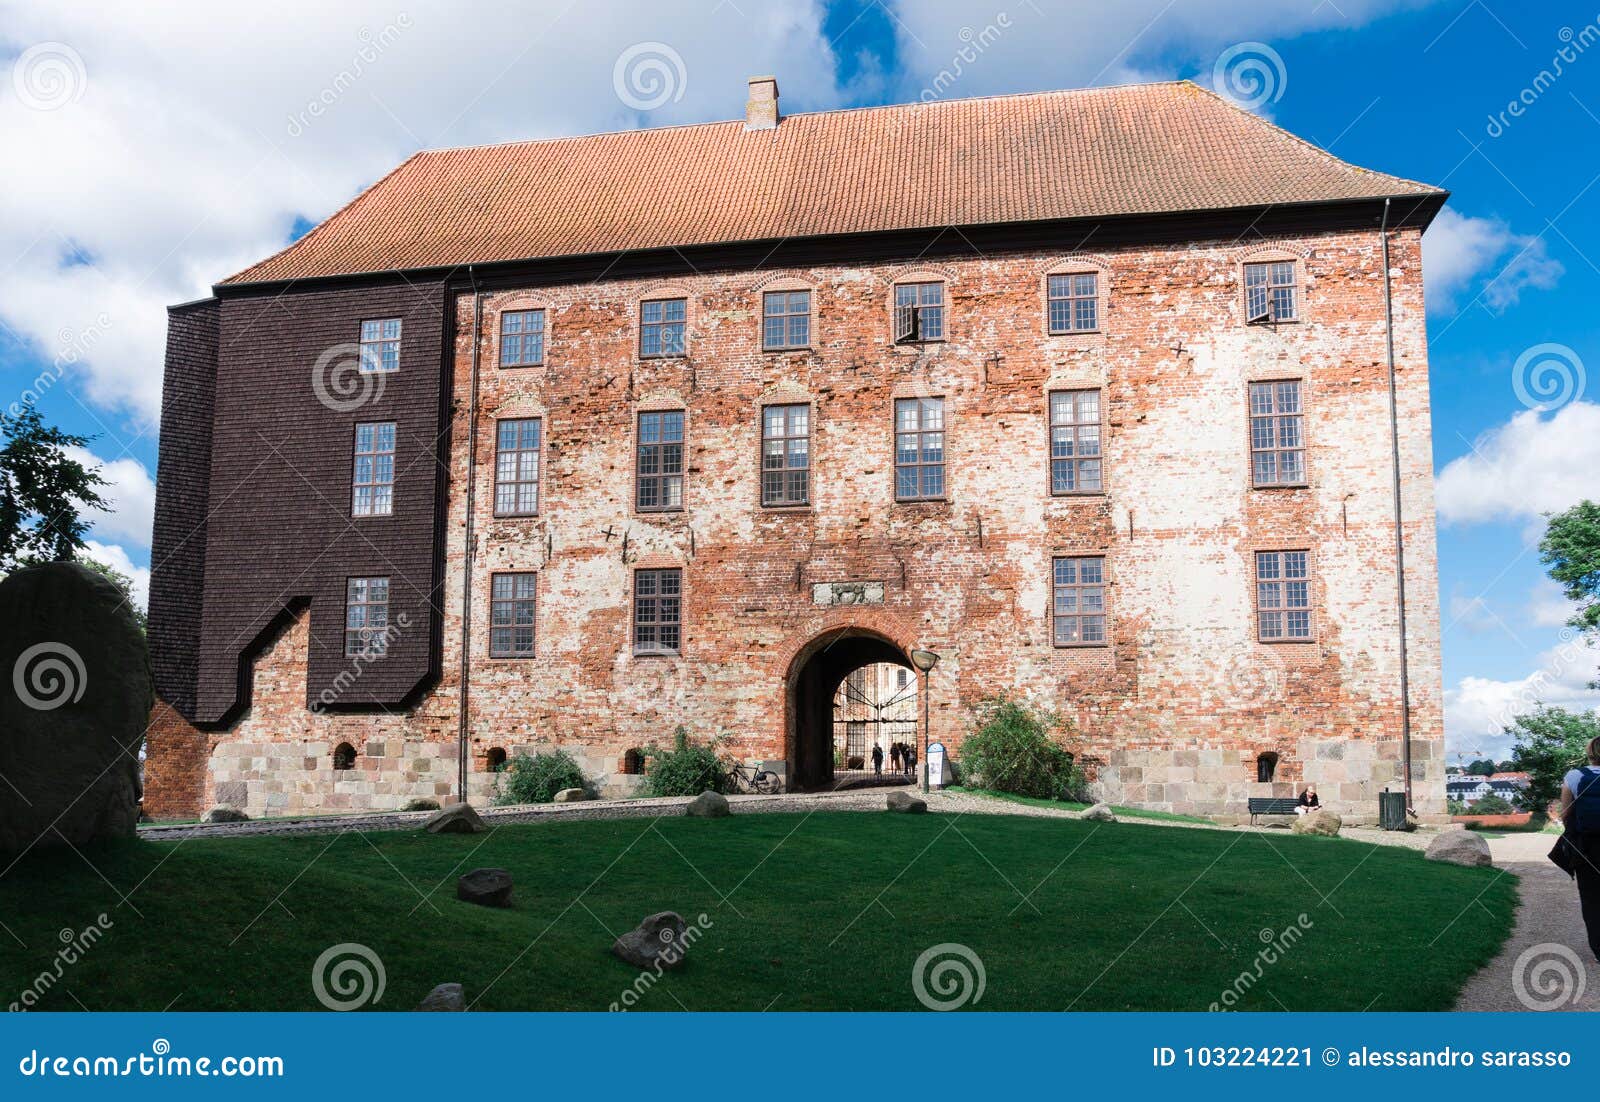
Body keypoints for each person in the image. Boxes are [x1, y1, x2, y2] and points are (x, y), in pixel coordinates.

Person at [1560, 736, 1600, 962]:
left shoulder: (1575, 776)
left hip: (1587, 846)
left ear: (1590, 752)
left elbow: (1565, 814)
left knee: (1592, 898)